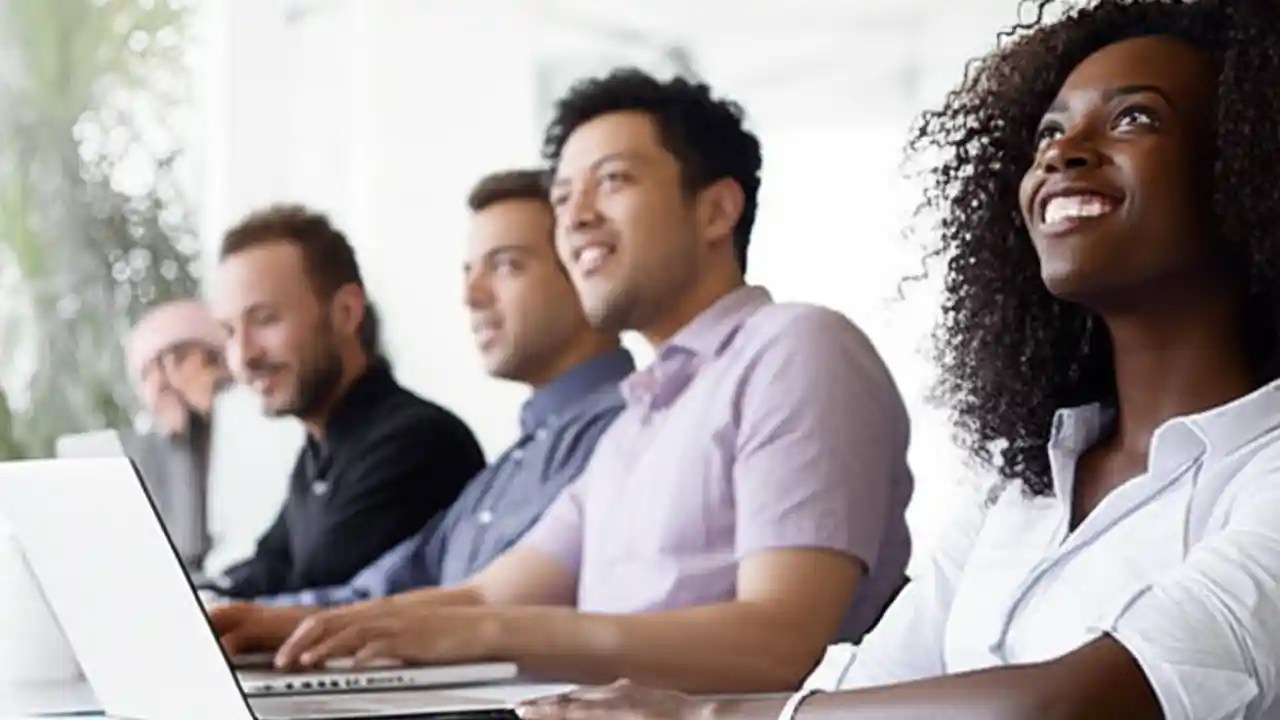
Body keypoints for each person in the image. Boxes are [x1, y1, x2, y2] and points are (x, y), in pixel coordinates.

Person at [515, 0, 1280, 718]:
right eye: (1048, 133)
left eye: (1134, 118)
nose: (1062, 155)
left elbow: (1061, 707)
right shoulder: (1020, 487)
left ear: (1247, 164)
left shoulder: (1264, 476)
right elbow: (873, 688)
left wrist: (707, 715)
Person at [236, 70, 914, 695]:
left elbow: (783, 641)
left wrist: (493, 632)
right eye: (563, 197)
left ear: (715, 211)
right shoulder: (638, 421)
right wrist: (284, 629)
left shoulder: (795, 348)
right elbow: (484, 595)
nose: (576, 216)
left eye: (612, 181)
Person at [207, 169, 633, 634]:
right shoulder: (510, 468)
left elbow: (483, 612)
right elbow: (379, 592)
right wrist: (248, 620)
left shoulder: (628, 435)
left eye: (506, 265)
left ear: (585, 267)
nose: (470, 296)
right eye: (469, 271)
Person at [206, 205, 485, 598]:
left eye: (265, 319)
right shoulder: (320, 451)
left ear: (346, 312)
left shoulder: (417, 442)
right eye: (229, 332)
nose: (244, 356)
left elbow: (317, 591)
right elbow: (270, 567)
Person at [125, 299, 230, 571]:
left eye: (178, 361)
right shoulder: (151, 450)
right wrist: (180, 443)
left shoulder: (255, 424)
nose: (163, 384)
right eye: (148, 374)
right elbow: (185, 546)